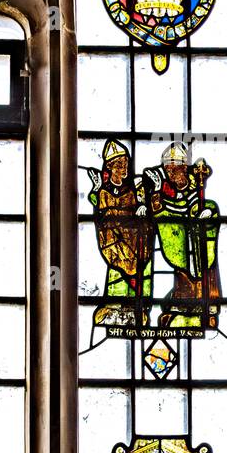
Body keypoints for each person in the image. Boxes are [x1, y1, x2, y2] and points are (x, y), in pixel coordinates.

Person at [144, 141, 221, 330]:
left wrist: (208, 219)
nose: (171, 175)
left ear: (184, 168)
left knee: (203, 271)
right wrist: (155, 191)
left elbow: (210, 209)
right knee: (183, 275)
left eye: (175, 169)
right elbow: (162, 215)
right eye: (168, 170)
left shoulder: (198, 192)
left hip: (201, 257)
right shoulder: (168, 194)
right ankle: (181, 302)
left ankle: (205, 307)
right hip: (183, 253)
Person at [88, 139, 153, 328]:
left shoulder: (135, 188)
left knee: (139, 273)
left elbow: (145, 208)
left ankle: (137, 307)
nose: (124, 168)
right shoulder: (104, 191)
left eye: (125, 164)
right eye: (119, 165)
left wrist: (142, 208)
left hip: (135, 239)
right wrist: (96, 189)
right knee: (116, 275)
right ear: (109, 167)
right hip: (114, 241)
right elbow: (98, 210)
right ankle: (114, 306)